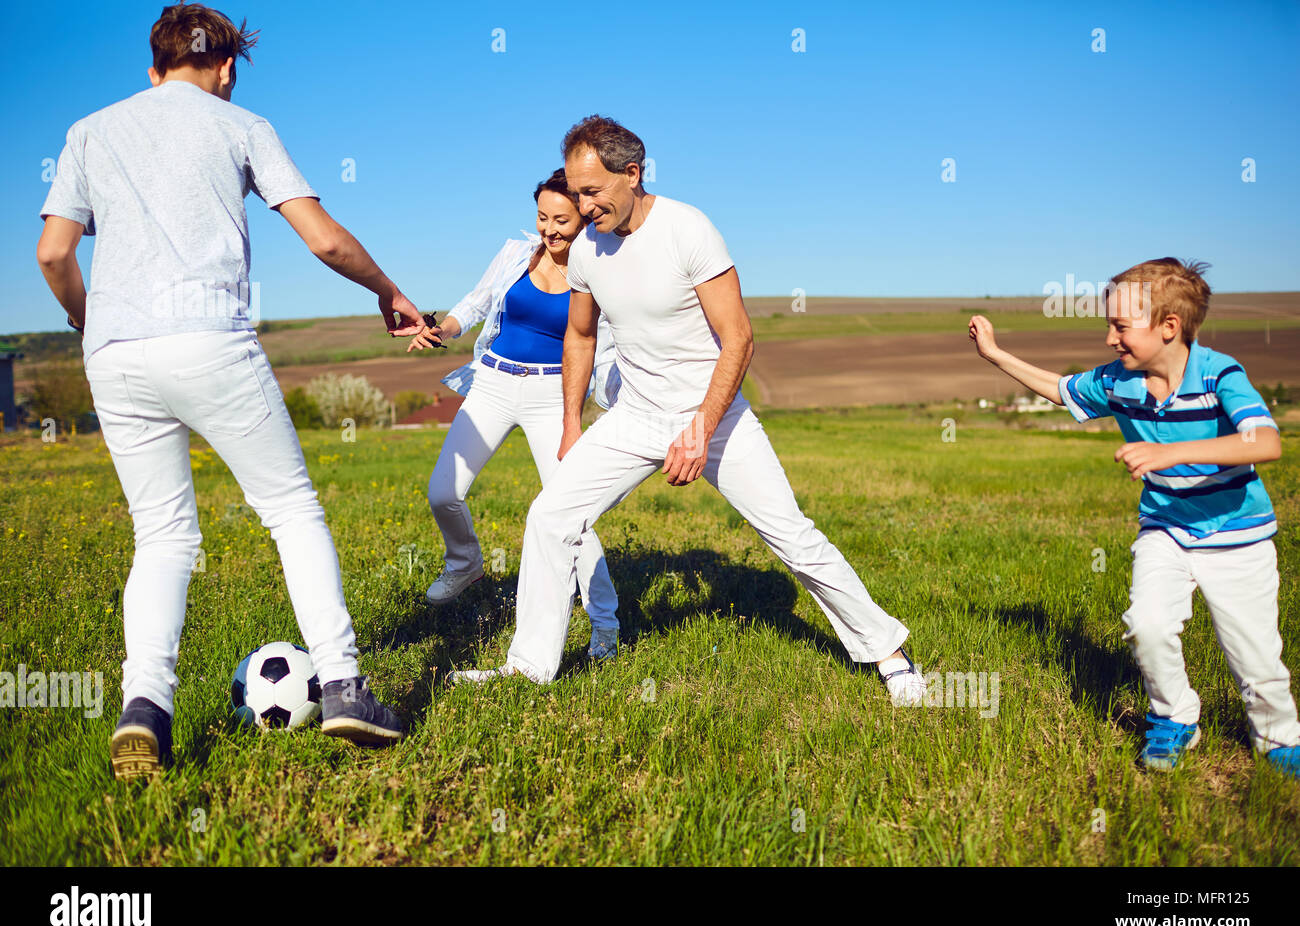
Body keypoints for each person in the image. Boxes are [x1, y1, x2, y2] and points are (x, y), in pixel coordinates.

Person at [36, 3, 418, 779]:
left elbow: (51, 253)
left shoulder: (89, 130)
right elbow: (323, 237)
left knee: (163, 535)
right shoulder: (241, 126)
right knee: (290, 509)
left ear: (153, 69)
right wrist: (388, 291)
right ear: (227, 68)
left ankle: (145, 707)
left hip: (115, 354)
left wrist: (88, 317)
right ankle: (343, 685)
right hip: (209, 340)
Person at [452, 115, 927, 704]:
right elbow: (579, 338)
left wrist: (701, 429)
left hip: (716, 416)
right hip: (634, 415)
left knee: (791, 537)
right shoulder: (586, 251)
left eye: (593, 192)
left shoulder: (688, 229)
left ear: (633, 174)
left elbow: (740, 339)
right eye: (576, 193)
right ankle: (529, 668)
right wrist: (573, 423)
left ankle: (889, 656)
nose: (583, 205)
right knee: (550, 516)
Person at [969, 258, 1299, 778]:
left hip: (1237, 535)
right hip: (1165, 529)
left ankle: (1277, 739)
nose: (1109, 339)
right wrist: (994, 355)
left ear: (1169, 327)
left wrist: (1173, 453)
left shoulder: (1219, 373)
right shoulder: (1117, 382)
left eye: (1121, 326)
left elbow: (1267, 441)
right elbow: (1060, 389)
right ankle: (1175, 719)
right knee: (1146, 624)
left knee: (1254, 653)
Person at [406, 170, 622, 660]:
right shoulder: (516, 254)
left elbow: (605, 350)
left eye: (561, 219)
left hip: (554, 395)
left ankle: (605, 624)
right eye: (543, 217)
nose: (550, 228)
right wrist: (443, 329)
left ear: (585, 216)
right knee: (444, 492)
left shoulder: (601, 272)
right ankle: (464, 562)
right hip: (494, 384)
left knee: (572, 516)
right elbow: (477, 301)